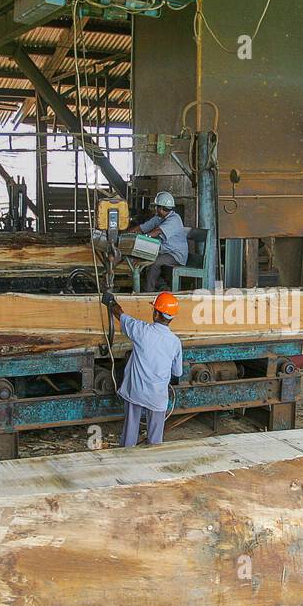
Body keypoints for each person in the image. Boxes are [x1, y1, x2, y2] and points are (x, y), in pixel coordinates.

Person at [102, 289, 183, 447]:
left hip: (137, 393)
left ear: (156, 314)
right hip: (157, 397)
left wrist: (111, 302)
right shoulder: (175, 342)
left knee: (129, 436)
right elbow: (177, 372)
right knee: (155, 442)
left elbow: (121, 316)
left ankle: (127, 459)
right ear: (171, 318)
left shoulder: (142, 331)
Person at [129, 191, 188, 292]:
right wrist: (127, 235)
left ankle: (148, 292)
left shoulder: (174, 219)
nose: (155, 208)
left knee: (153, 263)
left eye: (156, 206)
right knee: (141, 260)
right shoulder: (158, 218)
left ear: (161, 208)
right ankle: (162, 287)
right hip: (163, 251)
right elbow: (142, 227)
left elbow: (157, 231)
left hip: (175, 254)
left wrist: (142, 239)